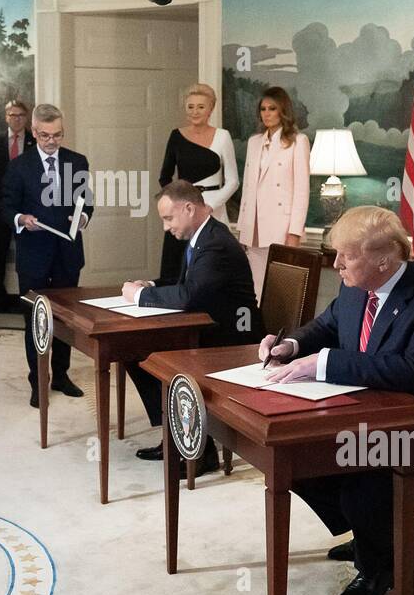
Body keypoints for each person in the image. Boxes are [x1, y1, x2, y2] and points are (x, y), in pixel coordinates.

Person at [258, 205, 414, 595]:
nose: (336, 264)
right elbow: (328, 325)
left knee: (362, 475)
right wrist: (292, 346)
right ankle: (372, 532)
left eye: (346, 256)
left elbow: (413, 371)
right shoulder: (356, 285)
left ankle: (378, 568)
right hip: (381, 424)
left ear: (384, 259)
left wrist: (322, 363)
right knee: (298, 458)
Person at [120, 180, 264, 473]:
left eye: (168, 218)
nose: (165, 227)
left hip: (231, 335)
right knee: (133, 351)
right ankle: (178, 436)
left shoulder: (215, 243)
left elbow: (189, 296)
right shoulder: (203, 236)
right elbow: (188, 285)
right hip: (211, 326)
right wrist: (150, 285)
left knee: (144, 354)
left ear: (188, 208)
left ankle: (196, 447)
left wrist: (140, 296)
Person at [0, 104, 92, 406]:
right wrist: (21, 219)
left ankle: (62, 375)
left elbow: (87, 204)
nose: (52, 141)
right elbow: (5, 208)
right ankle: (38, 380)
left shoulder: (77, 161)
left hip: (67, 253)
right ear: (34, 132)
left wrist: (83, 219)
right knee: (36, 320)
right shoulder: (19, 165)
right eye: (45, 136)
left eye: (58, 135)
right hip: (33, 256)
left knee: (65, 321)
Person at [156, 84, 238, 284]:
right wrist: (176, 204)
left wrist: (211, 205)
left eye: (200, 107)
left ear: (211, 109)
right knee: (175, 267)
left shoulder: (223, 136)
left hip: (213, 208)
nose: (195, 111)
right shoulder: (176, 136)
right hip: (181, 210)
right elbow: (164, 177)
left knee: (210, 265)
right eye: (190, 106)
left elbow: (233, 181)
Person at [236, 86, 311, 297]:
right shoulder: (254, 142)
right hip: (254, 226)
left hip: (281, 225)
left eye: (272, 108)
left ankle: (278, 330)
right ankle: (257, 329)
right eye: (263, 109)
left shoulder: (297, 142)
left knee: (280, 288)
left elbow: (302, 191)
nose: (266, 113)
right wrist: (243, 228)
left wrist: (295, 232)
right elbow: (248, 190)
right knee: (255, 288)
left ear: (283, 111)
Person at [0, 100, 35, 315]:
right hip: (0, 209)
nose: (17, 118)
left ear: (27, 117)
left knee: (30, 257)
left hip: (29, 209)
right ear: (6, 117)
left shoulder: (34, 140)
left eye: (21, 115)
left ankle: (30, 302)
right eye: (13, 115)